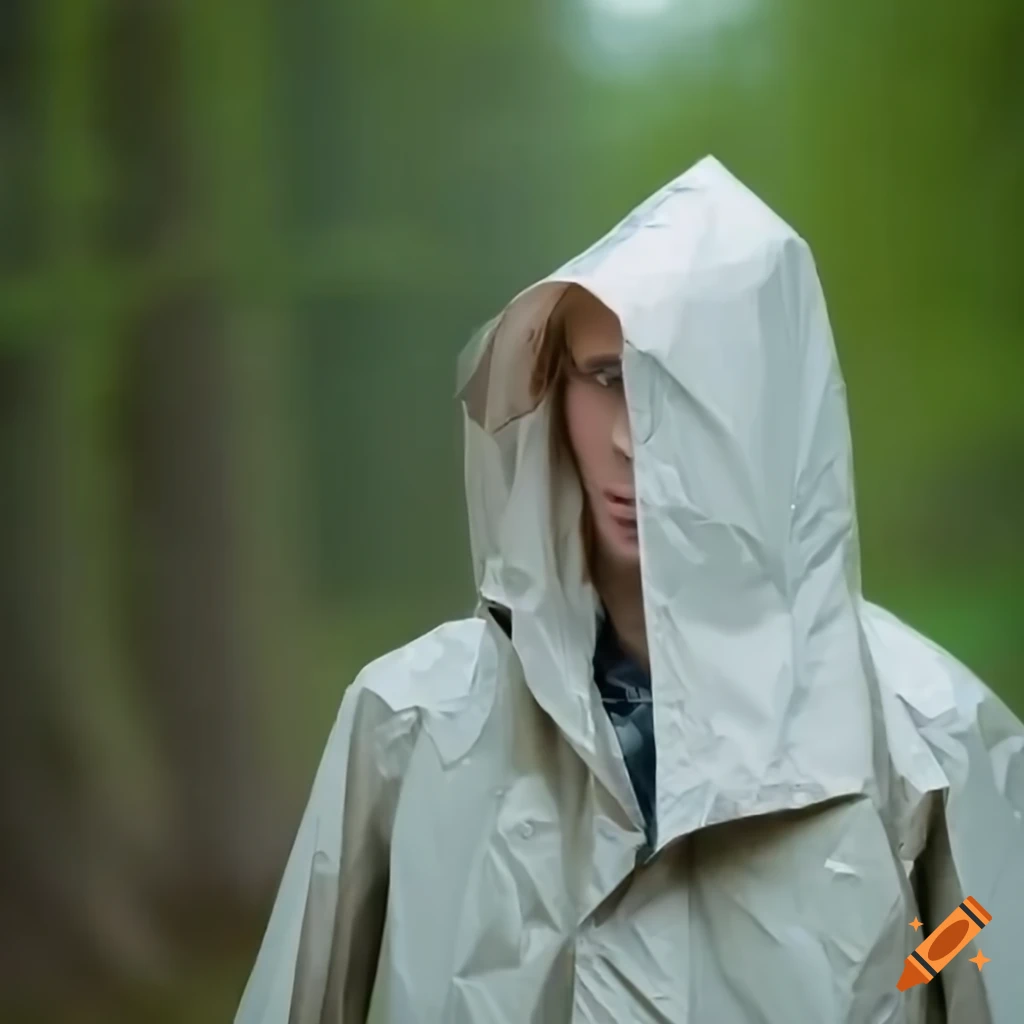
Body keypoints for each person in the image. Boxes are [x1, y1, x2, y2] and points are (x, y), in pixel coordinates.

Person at [234, 156, 1024, 1023]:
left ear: (768, 410)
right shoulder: (409, 726)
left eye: (690, 389)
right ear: (551, 387)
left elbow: (979, 938)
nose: (634, 438)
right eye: (608, 378)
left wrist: (907, 976)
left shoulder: (931, 738)